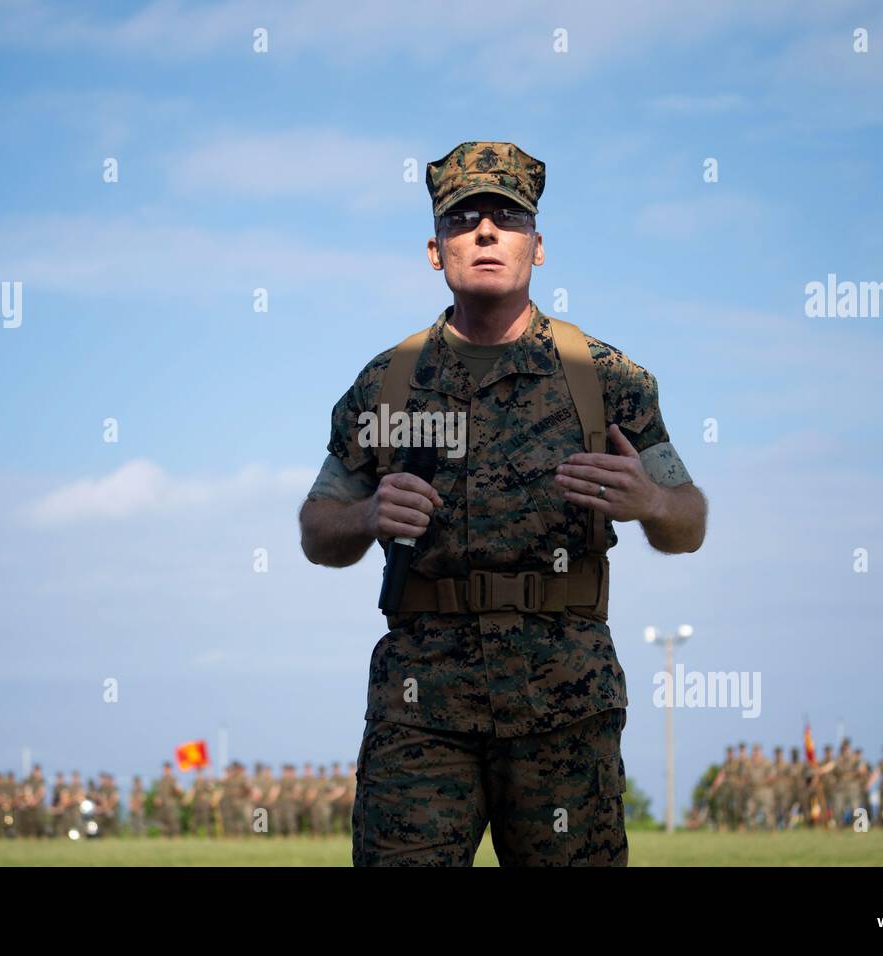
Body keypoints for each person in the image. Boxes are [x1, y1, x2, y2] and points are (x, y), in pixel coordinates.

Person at [299, 141, 706, 866]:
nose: (486, 232)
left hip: (564, 705)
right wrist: (365, 516)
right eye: (464, 218)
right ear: (436, 249)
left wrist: (648, 500)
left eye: (507, 217)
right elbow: (315, 529)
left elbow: (688, 521)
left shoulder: (607, 379)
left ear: (537, 247)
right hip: (421, 708)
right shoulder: (386, 385)